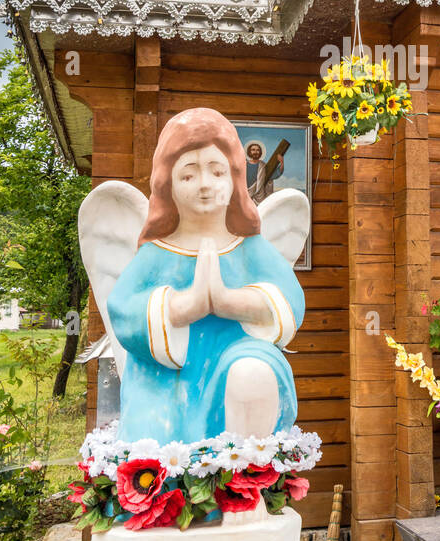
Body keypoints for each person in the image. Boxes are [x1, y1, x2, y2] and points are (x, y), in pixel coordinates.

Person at [106, 109, 304, 444]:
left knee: (253, 374)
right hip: (165, 380)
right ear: (167, 184)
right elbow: (123, 310)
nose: (205, 186)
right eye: (188, 175)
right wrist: (185, 306)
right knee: (156, 446)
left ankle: (243, 481)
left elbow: (289, 300)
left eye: (216, 172)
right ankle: (165, 492)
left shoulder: (249, 249)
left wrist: (228, 301)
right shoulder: (156, 255)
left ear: (234, 180)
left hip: (235, 355)